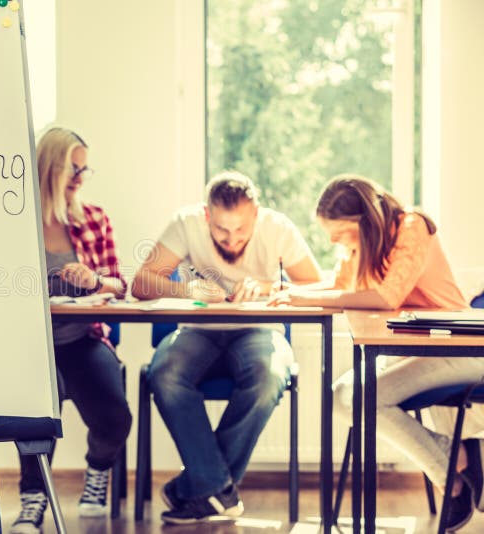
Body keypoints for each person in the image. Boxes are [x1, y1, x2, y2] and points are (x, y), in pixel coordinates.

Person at [277, 174, 479, 530]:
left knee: (363, 398)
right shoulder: (362, 248)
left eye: (339, 234)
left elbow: (387, 297)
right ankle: (456, 460)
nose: (334, 242)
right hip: (411, 351)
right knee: (341, 395)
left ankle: (452, 476)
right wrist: (280, 289)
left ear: (364, 223)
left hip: (457, 349)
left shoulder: (412, 227)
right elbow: (338, 287)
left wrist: (302, 296)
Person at [131, 171, 322, 525]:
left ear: (257, 214)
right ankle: (219, 490)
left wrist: (267, 286)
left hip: (258, 330)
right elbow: (141, 284)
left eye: (241, 230)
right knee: (165, 373)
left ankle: (194, 488)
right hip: (197, 330)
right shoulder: (186, 223)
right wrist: (188, 290)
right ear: (207, 215)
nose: (232, 239)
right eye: (221, 229)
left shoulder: (278, 228)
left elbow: (316, 285)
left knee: (270, 376)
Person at [9, 127, 132, 533]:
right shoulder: (17, 218)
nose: (79, 177)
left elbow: (119, 285)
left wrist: (95, 281)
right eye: (72, 168)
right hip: (32, 343)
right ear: (49, 166)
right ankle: (33, 501)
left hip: (81, 338)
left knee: (115, 418)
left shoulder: (93, 218)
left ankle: (97, 474)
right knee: (36, 417)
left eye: (85, 169)